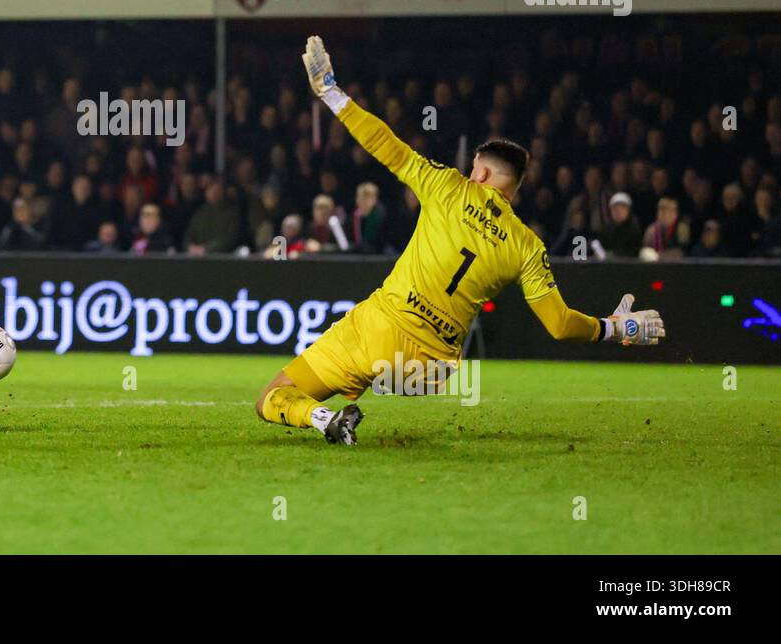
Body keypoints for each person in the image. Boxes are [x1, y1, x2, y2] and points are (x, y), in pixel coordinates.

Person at [256, 37, 665, 447]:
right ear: (515, 189)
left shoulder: (446, 186)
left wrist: (330, 92)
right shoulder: (527, 245)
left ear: (482, 175)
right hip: (429, 370)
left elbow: (385, 145)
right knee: (414, 370)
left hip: (377, 330)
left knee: (273, 397)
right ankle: (346, 409)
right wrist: (612, 328)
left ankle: (322, 416)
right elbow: (559, 326)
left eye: (473, 170)